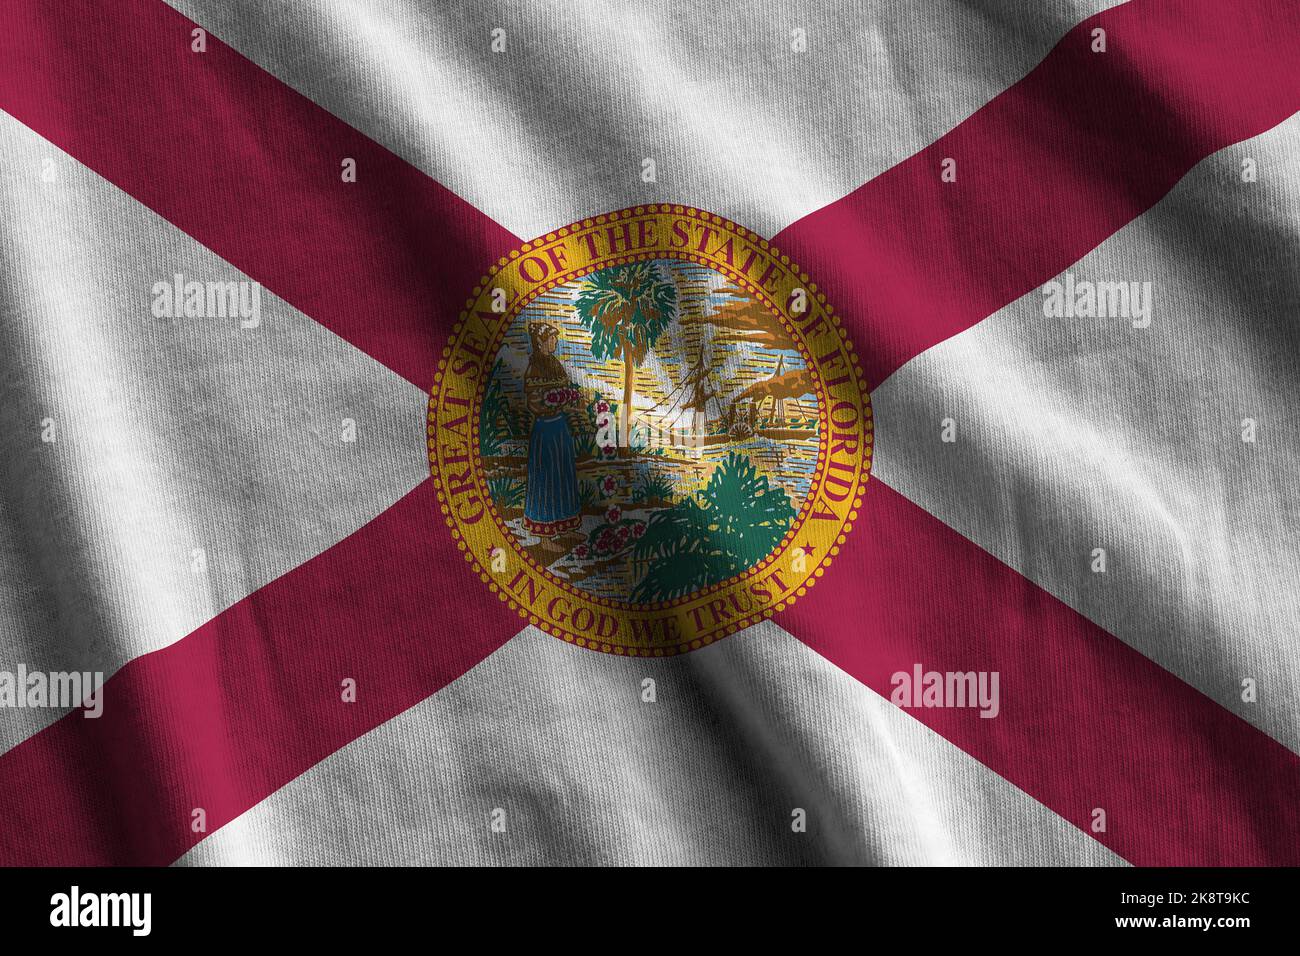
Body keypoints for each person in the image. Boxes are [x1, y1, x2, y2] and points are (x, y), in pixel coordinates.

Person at [522, 321, 581, 549]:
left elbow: (564, 391)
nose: (555, 342)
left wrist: (570, 402)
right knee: (546, 477)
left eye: (555, 338)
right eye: (551, 338)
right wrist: (552, 401)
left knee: (564, 474)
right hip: (545, 429)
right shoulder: (534, 367)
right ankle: (545, 537)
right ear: (540, 342)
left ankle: (566, 526)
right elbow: (535, 402)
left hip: (560, 427)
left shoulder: (554, 363)